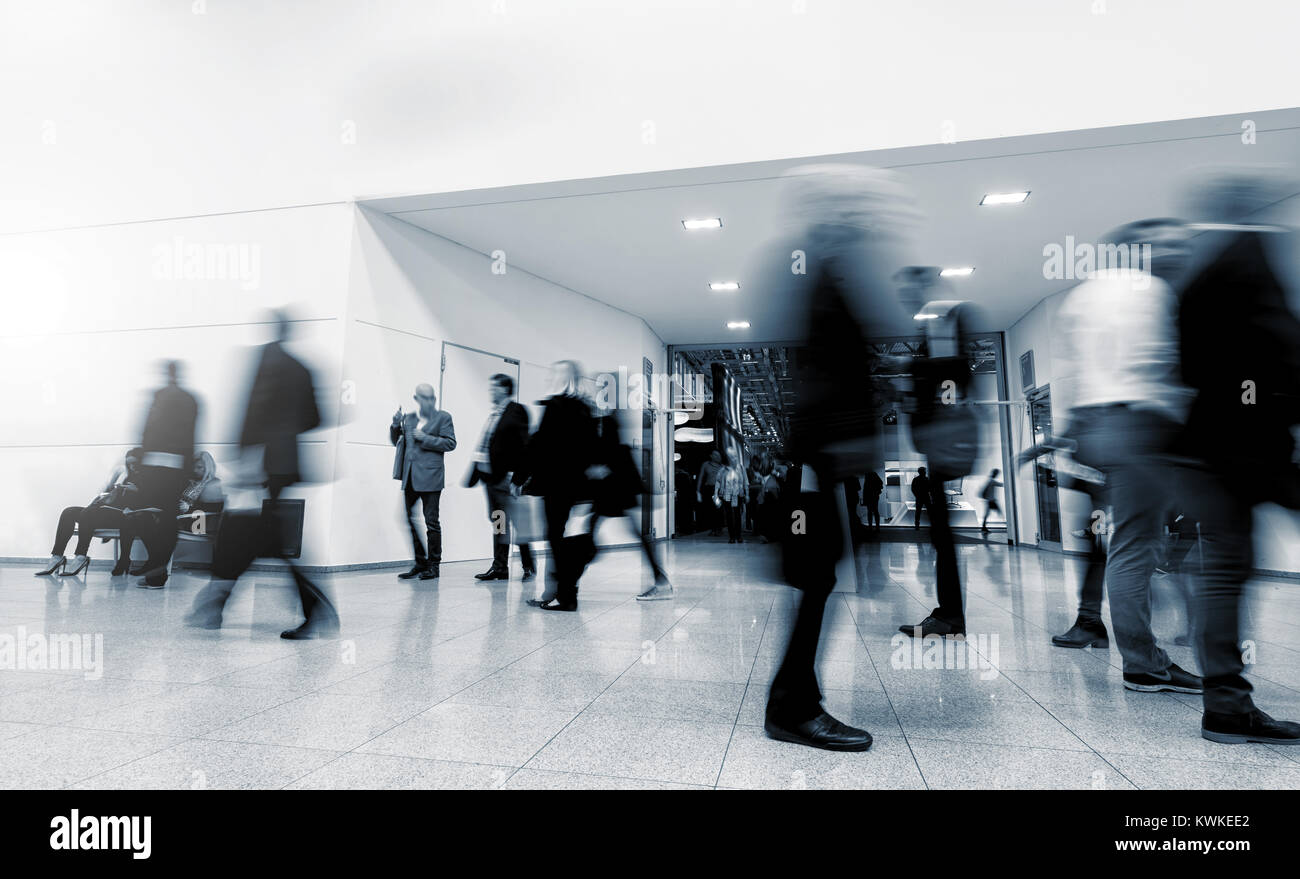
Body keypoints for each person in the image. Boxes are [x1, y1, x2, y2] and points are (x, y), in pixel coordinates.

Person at [761, 163, 916, 752]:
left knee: (817, 578)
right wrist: (819, 465)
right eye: (852, 210)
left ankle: (797, 698)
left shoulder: (828, 275)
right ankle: (792, 707)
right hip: (819, 465)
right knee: (816, 576)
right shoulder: (818, 278)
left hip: (825, 464)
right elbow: (819, 383)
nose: (863, 220)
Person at [1173, 175, 1300, 744]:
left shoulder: (1197, 278)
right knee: (1225, 573)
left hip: (1213, 445)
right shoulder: (1247, 258)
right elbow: (1278, 347)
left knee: (1223, 573)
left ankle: (1225, 705)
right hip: (1251, 443)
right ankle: (1226, 705)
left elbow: (1187, 371)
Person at [1055, 218, 1201, 694]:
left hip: (1101, 426)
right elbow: (1157, 364)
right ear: (1137, 249)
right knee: (1136, 546)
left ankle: (1137, 651)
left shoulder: (1083, 295)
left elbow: (1079, 369)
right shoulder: (1149, 290)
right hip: (1140, 423)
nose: (1177, 250)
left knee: (1131, 543)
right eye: (1166, 242)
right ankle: (1144, 663)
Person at [186, 312, 337, 639]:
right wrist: (287, 431)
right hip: (285, 462)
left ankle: (218, 601)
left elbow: (251, 410)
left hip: (262, 459)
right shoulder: (302, 367)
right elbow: (318, 416)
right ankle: (218, 602)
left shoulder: (263, 360)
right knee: (264, 533)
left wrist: (242, 454)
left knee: (255, 531)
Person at [519, 360, 599, 612]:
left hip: (555, 485)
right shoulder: (586, 408)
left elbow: (537, 445)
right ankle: (565, 591)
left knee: (555, 539)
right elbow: (592, 447)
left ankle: (564, 596)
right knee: (571, 540)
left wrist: (519, 477)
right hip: (581, 486)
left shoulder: (554, 406)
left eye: (553, 374)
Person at [587, 412, 673, 600]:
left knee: (593, 532)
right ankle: (661, 580)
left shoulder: (614, 450)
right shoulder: (617, 449)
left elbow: (623, 474)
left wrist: (602, 472)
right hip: (615, 498)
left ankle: (662, 581)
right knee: (597, 531)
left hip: (615, 498)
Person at [134, 360, 199, 587]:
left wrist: (140, 461)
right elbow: (192, 435)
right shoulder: (190, 399)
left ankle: (156, 565)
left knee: (146, 515)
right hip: (176, 466)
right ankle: (158, 567)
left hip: (155, 465)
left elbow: (146, 430)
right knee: (167, 518)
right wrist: (188, 468)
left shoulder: (159, 396)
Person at [466, 374, 535, 582]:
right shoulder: (494, 415)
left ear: (504, 389)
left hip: (507, 479)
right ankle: (500, 567)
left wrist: (518, 478)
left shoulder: (516, 411)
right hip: (491, 479)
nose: (491, 391)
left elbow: (525, 447)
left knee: (517, 523)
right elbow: (485, 446)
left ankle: (528, 565)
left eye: (494, 388)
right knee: (499, 522)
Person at [37, 448, 145, 577]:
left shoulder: (148, 480)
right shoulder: (126, 477)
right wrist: (111, 487)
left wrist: (137, 491)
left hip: (123, 517)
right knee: (69, 512)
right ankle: (57, 556)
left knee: (88, 513)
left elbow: (151, 502)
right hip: (105, 513)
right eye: (129, 464)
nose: (132, 467)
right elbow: (109, 498)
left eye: (135, 463)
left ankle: (81, 556)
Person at [126, 451, 225, 586]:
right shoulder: (189, 482)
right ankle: (154, 564)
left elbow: (214, 509)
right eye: (194, 467)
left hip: (200, 523)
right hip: (183, 517)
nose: (196, 471)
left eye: (200, 467)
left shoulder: (214, 483)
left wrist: (189, 508)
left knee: (164, 525)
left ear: (208, 467)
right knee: (143, 520)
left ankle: (155, 567)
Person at [391, 383, 456, 581]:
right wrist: (395, 425)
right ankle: (420, 562)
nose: (430, 401)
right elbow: (397, 442)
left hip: (431, 478)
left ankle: (434, 566)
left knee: (431, 523)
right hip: (410, 477)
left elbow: (450, 443)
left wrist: (425, 438)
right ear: (416, 399)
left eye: (432, 397)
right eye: (425, 397)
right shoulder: (409, 418)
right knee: (407, 518)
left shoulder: (443, 417)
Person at [714, 456, 748, 544]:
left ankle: (739, 536)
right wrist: (715, 494)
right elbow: (717, 482)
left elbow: (745, 481)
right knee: (729, 515)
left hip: (738, 494)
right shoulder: (723, 470)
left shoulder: (740, 468)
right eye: (732, 458)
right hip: (726, 494)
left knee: (737, 515)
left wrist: (747, 494)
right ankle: (732, 536)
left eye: (735, 458)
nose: (733, 460)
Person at [695, 450, 724, 535]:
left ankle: (719, 528)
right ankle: (713, 528)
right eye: (716, 455)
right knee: (710, 509)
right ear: (711, 456)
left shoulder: (722, 467)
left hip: (718, 490)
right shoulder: (706, 464)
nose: (718, 457)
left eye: (719, 455)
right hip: (709, 488)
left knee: (718, 509)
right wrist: (698, 491)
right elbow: (700, 477)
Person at [979, 468, 1002, 533]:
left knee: (988, 513)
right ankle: (1009, 528)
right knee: (998, 512)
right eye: (997, 474)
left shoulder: (989, 480)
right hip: (990, 500)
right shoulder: (992, 481)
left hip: (990, 500)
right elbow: (1001, 484)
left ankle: (984, 527)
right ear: (995, 474)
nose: (997, 475)